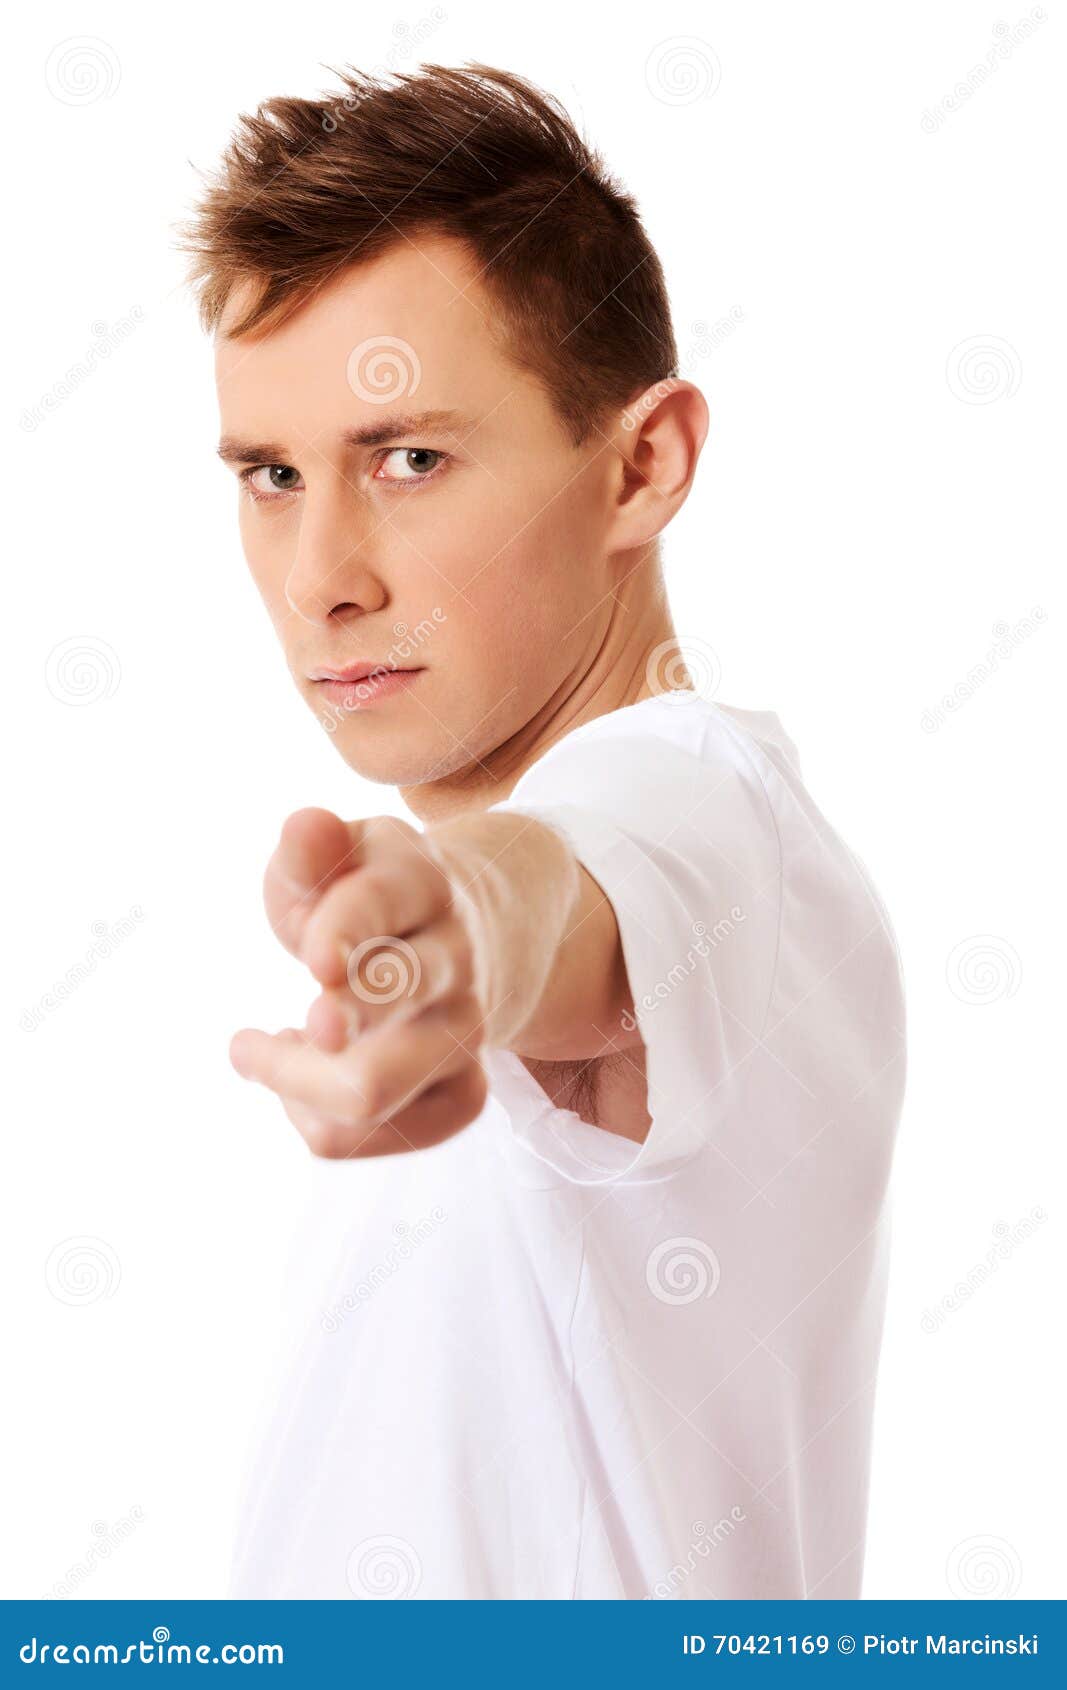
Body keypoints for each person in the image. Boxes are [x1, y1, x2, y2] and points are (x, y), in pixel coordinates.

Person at [181, 62, 907, 1599]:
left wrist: (457, 928)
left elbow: (565, 888)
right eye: (270, 475)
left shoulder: (707, 810)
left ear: (643, 463)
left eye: (409, 457)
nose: (319, 575)